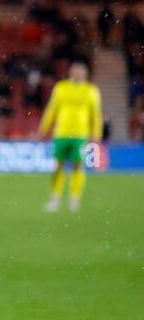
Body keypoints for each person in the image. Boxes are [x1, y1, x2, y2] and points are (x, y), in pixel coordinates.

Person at [39, 59, 103, 212]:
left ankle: (74, 199)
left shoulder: (91, 90)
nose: (78, 73)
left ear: (85, 73)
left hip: (80, 135)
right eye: (75, 70)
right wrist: (44, 128)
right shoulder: (61, 88)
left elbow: (96, 114)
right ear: (70, 72)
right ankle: (55, 198)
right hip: (61, 133)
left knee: (78, 166)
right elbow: (51, 109)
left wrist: (96, 133)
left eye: (81, 71)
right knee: (58, 166)